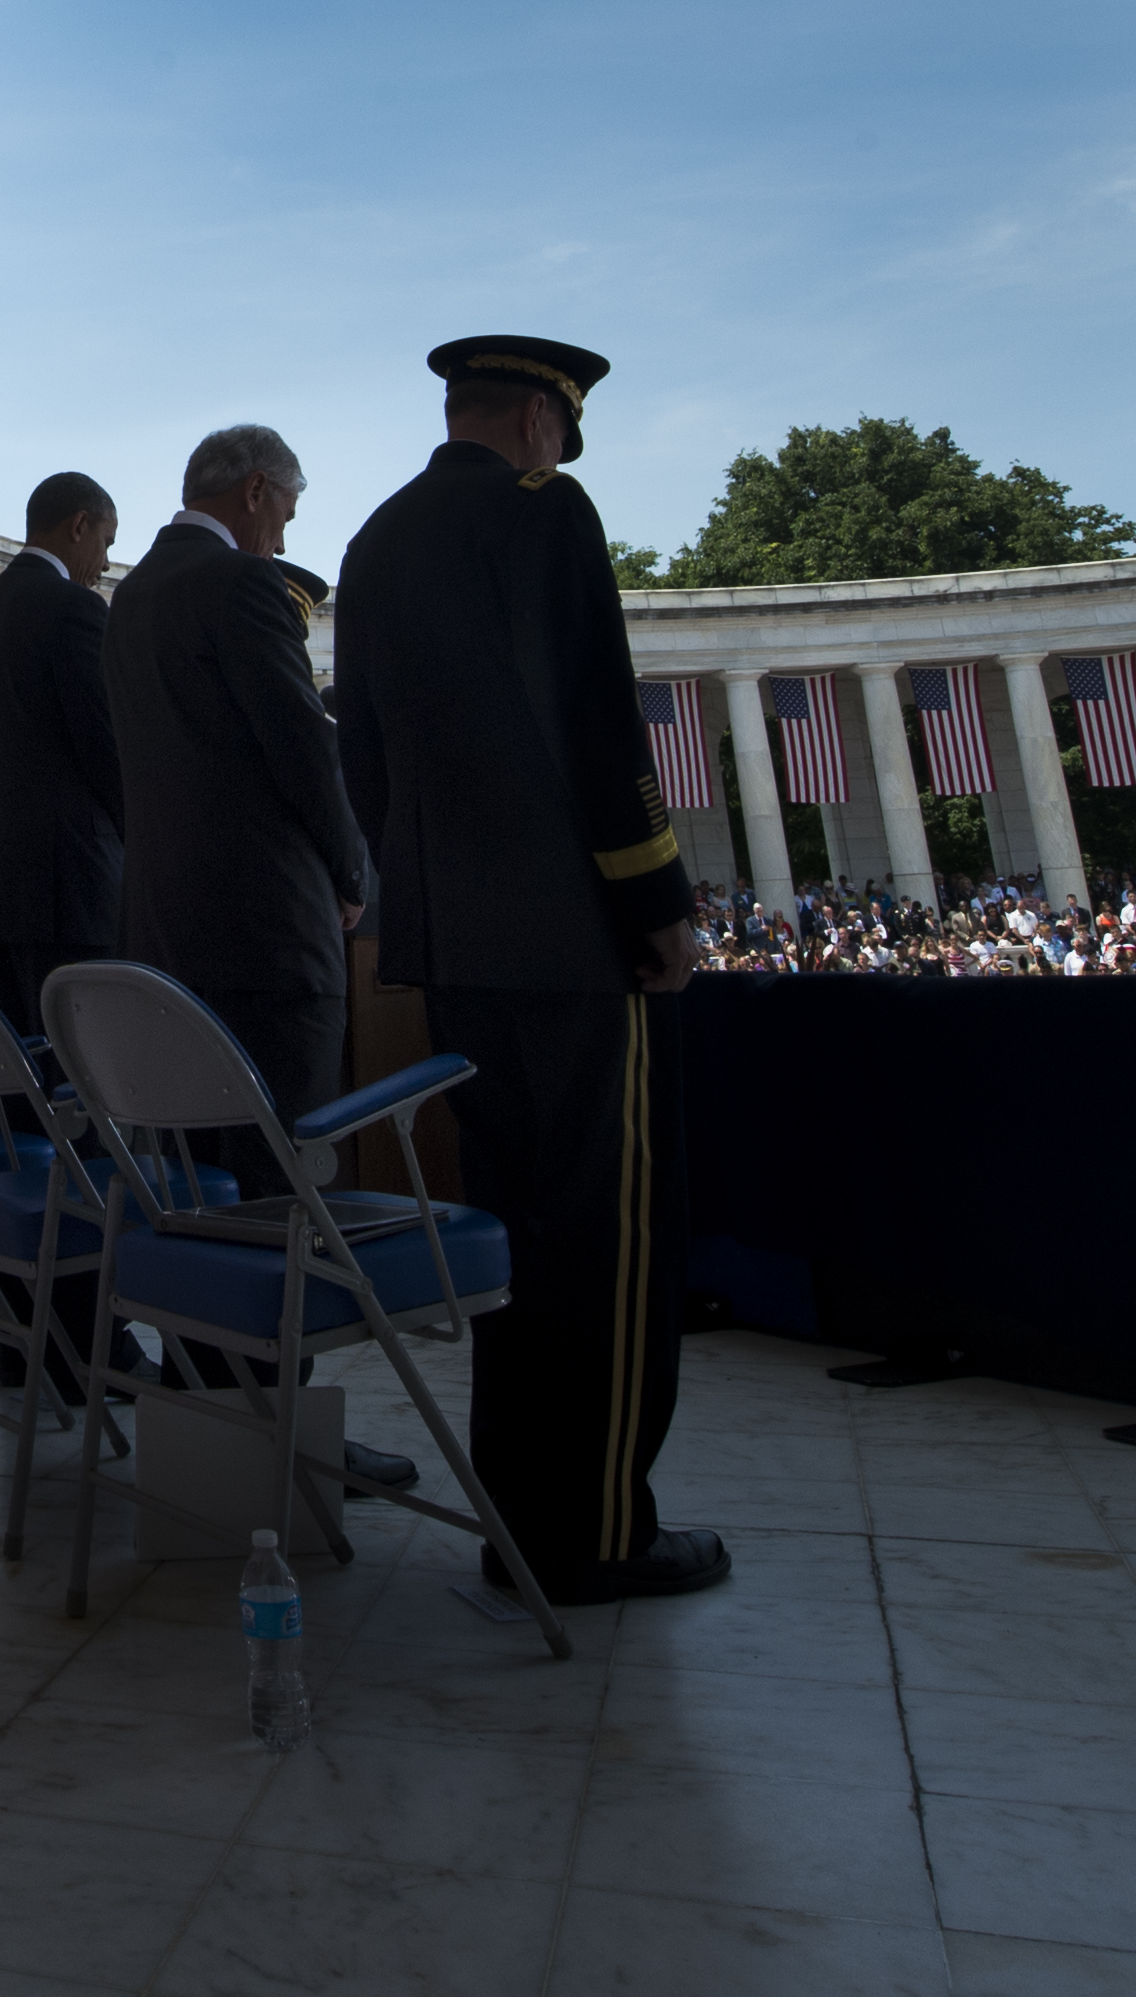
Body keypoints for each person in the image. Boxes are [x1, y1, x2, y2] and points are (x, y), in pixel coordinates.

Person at [335, 331, 726, 1605]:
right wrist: (653, 896)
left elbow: (368, 764)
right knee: (600, 1240)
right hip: (564, 937)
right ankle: (595, 1527)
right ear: (538, 422)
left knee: (505, 1229)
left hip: (453, 941)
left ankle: (520, 1510)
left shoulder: (375, 540)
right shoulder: (544, 514)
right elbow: (597, 720)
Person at [106, 424, 368, 1146]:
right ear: (255, 490)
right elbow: (305, 745)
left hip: (165, 934)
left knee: (200, 1180)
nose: (280, 543)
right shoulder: (243, 581)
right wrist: (351, 873)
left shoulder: (130, 595)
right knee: (284, 1178)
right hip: (266, 939)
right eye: (282, 515)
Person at [0, 470, 125, 1036]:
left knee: (21, 1083)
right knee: (85, 1082)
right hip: (69, 891)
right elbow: (105, 748)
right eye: (106, 541)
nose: (103, 563)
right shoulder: (74, 607)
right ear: (79, 525)